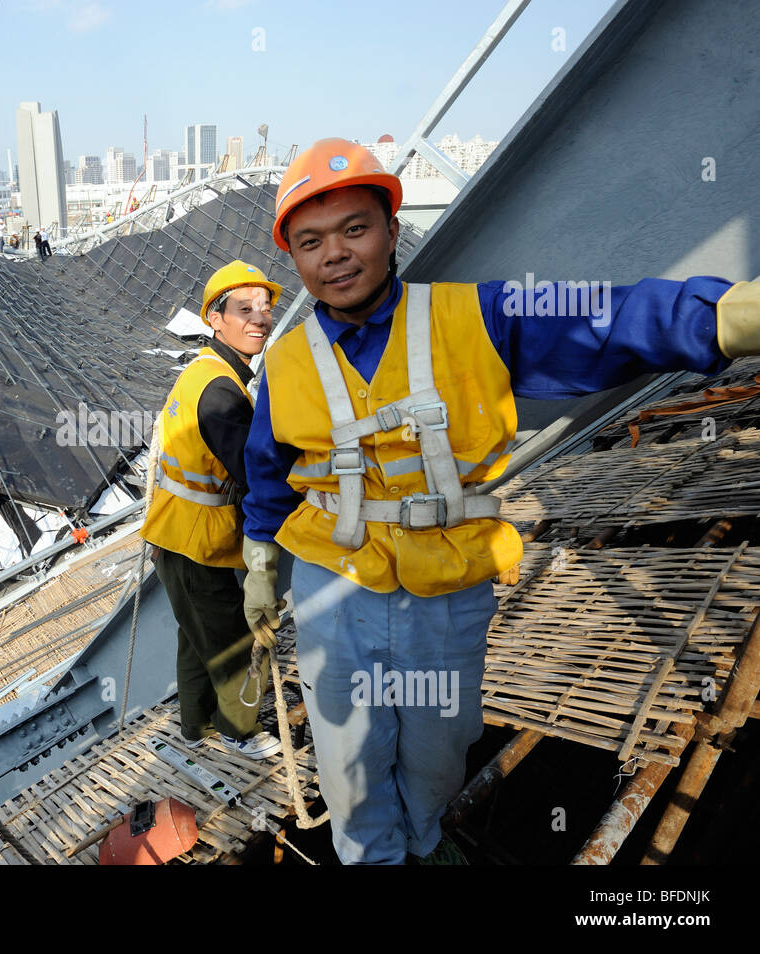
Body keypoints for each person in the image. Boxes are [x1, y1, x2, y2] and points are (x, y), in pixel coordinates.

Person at [242, 138, 760, 865]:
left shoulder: (475, 316)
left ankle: (422, 841)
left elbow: (596, 318)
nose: (336, 254)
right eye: (311, 242)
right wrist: (260, 564)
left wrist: (716, 317)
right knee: (350, 760)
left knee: (438, 748)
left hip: (448, 576)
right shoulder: (286, 363)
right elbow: (267, 470)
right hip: (337, 581)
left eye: (355, 229)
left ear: (392, 230)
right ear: (294, 259)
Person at [140, 261, 285, 760]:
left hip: (174, 536)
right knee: (235, 643)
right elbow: (257, 476)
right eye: (244, 309)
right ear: (215, 319)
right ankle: (239, 732)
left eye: (265, 308)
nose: (259, 318)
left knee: (196, 636)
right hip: (198, 546)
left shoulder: (204, 370)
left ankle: (195, 726)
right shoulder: (223, 393)